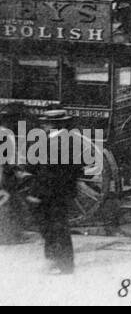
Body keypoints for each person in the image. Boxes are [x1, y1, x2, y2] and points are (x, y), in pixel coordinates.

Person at [25, 109, 82, 273]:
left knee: (56, 227)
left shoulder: (57, 142)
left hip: (52, 191)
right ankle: (56, 260)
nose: (44, 125)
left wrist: (36, 192)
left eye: (46, 123)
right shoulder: (70, 140)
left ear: (53, 125)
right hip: (61, 191)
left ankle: (63, 264)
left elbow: (46, 171)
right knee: (55, 226)